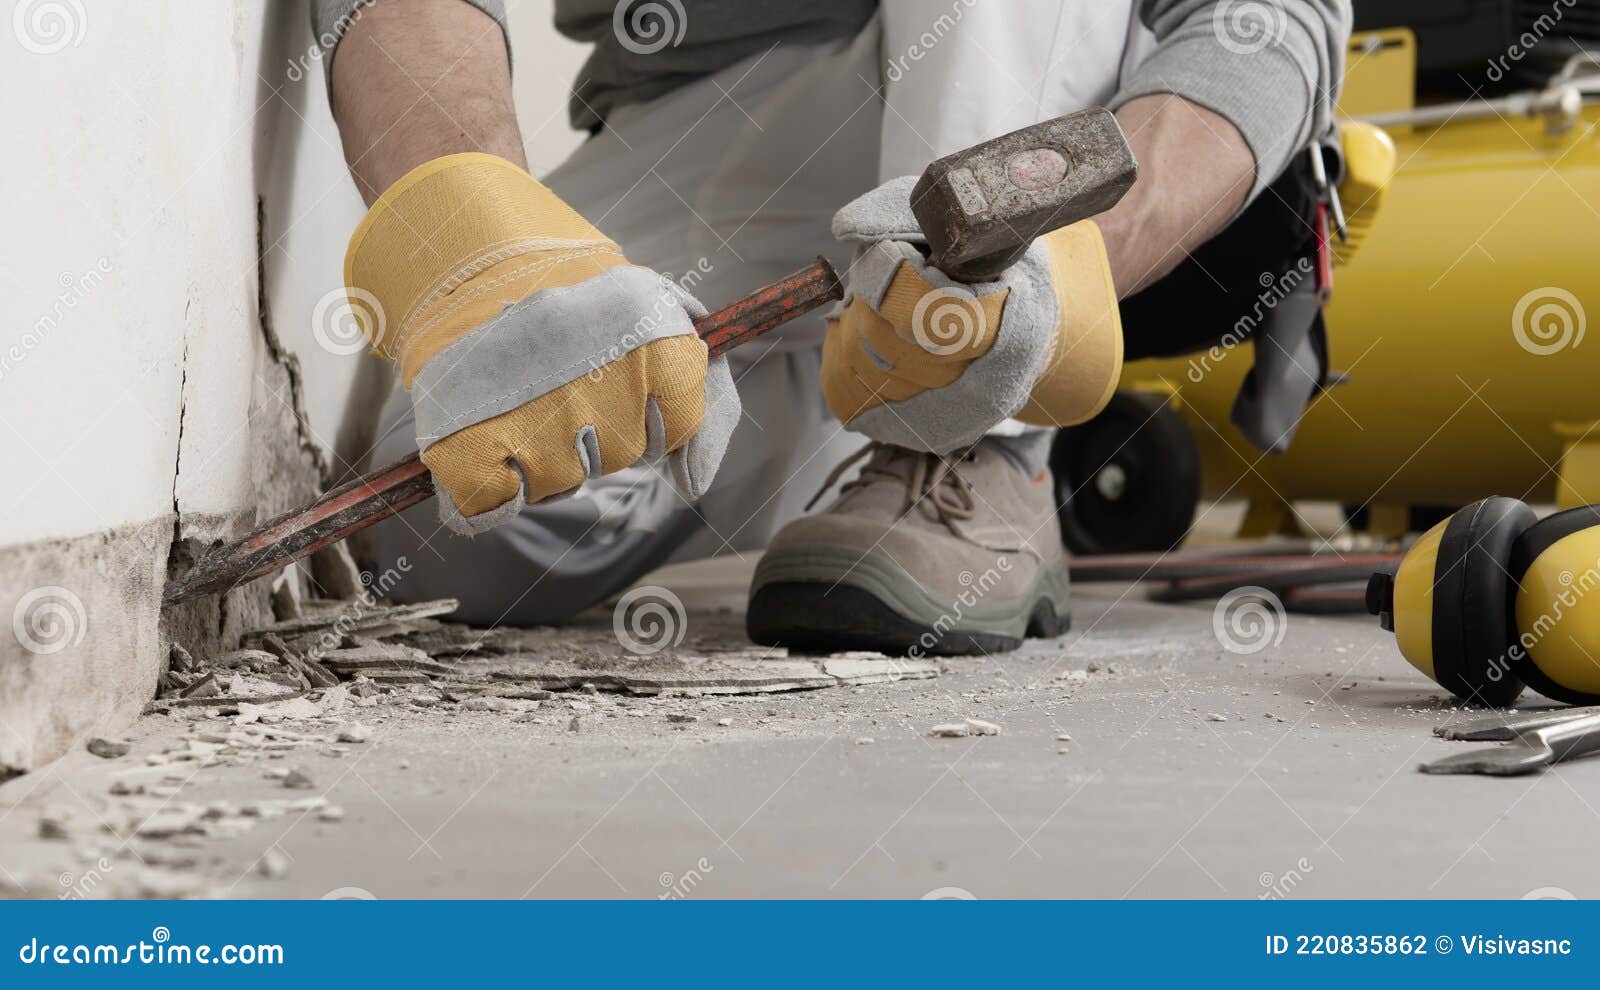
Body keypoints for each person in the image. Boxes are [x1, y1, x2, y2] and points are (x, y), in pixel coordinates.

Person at [314, 0, 1350, 653]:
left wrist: (1061, 255)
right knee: (459, 529)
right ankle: (839, 417)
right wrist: (479, 244)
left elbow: (1269, 18)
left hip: (1038, 67)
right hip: (728, 95)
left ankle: (974, 452)